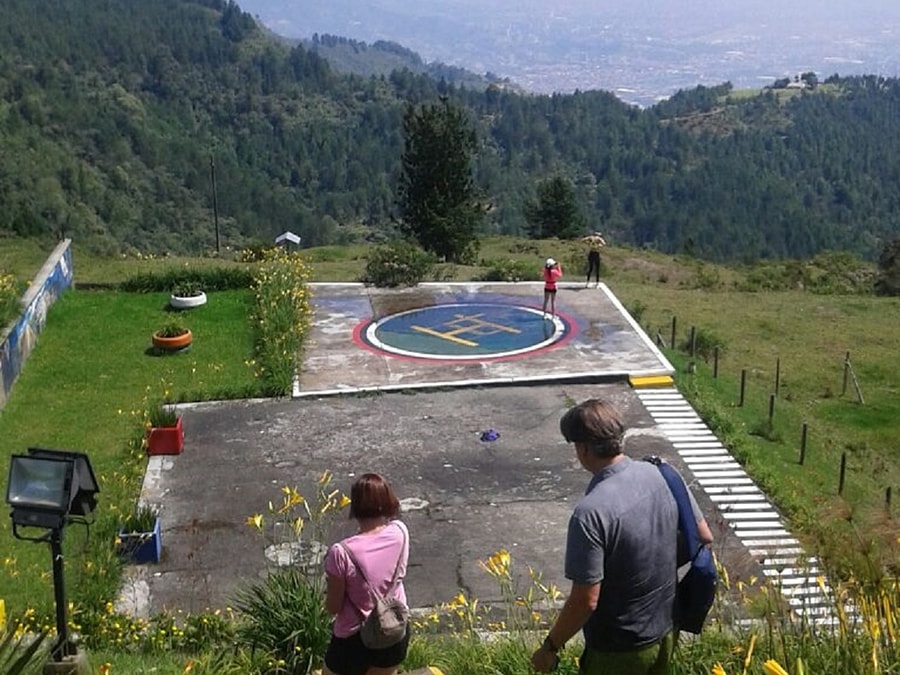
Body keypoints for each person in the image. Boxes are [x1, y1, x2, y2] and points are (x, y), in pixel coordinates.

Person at [531, 399, 713, 675]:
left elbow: (586, 600)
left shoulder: (590, 513)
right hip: (667, 629)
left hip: (620, 648)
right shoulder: (661, 472)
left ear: (583, 449)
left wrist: (550, 647)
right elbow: (703, 535)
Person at [323, 473, 410, 675]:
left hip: (353, 640)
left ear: (355, 506)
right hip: (394, 630)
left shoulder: (341, 552)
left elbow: (334, 607)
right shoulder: (400, 532)